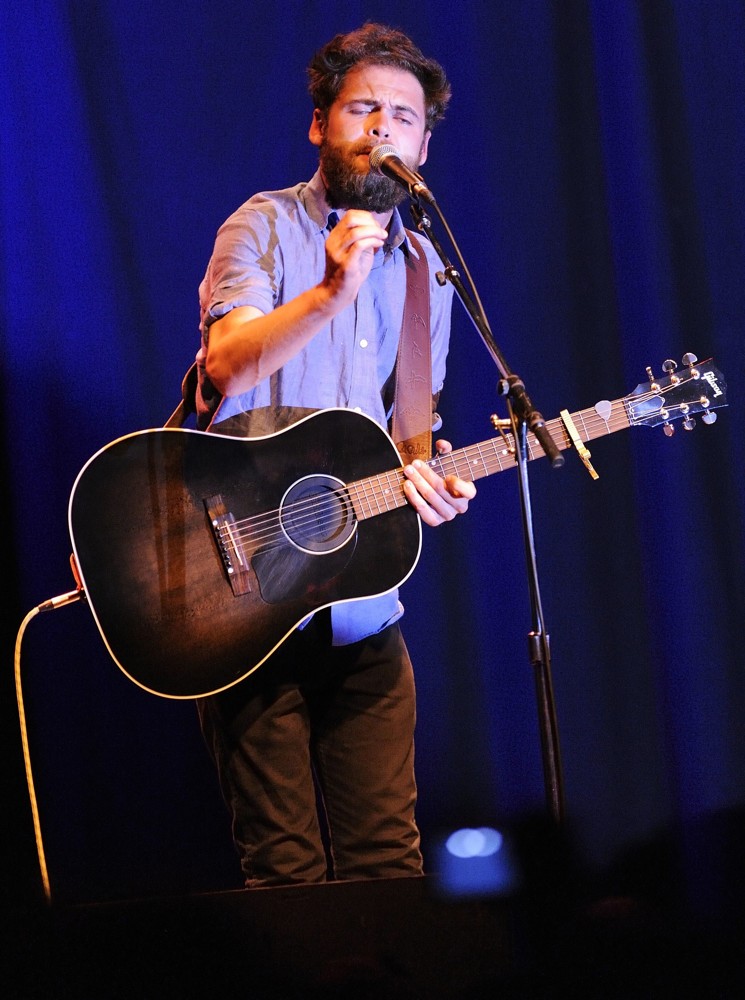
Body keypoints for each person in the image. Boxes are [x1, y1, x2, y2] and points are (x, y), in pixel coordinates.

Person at [194, 22, 476, 888]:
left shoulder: (429, 269)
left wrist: (434, 482)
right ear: (321, 124)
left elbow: (407, 438)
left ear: (423, 143)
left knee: (389, 866)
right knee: (285, 871)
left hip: (361, 604)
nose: (382, 129)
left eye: (403, 115)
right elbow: (227, 362)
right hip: (244, 596)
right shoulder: (265, 226)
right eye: (363, 108)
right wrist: (330, 289)